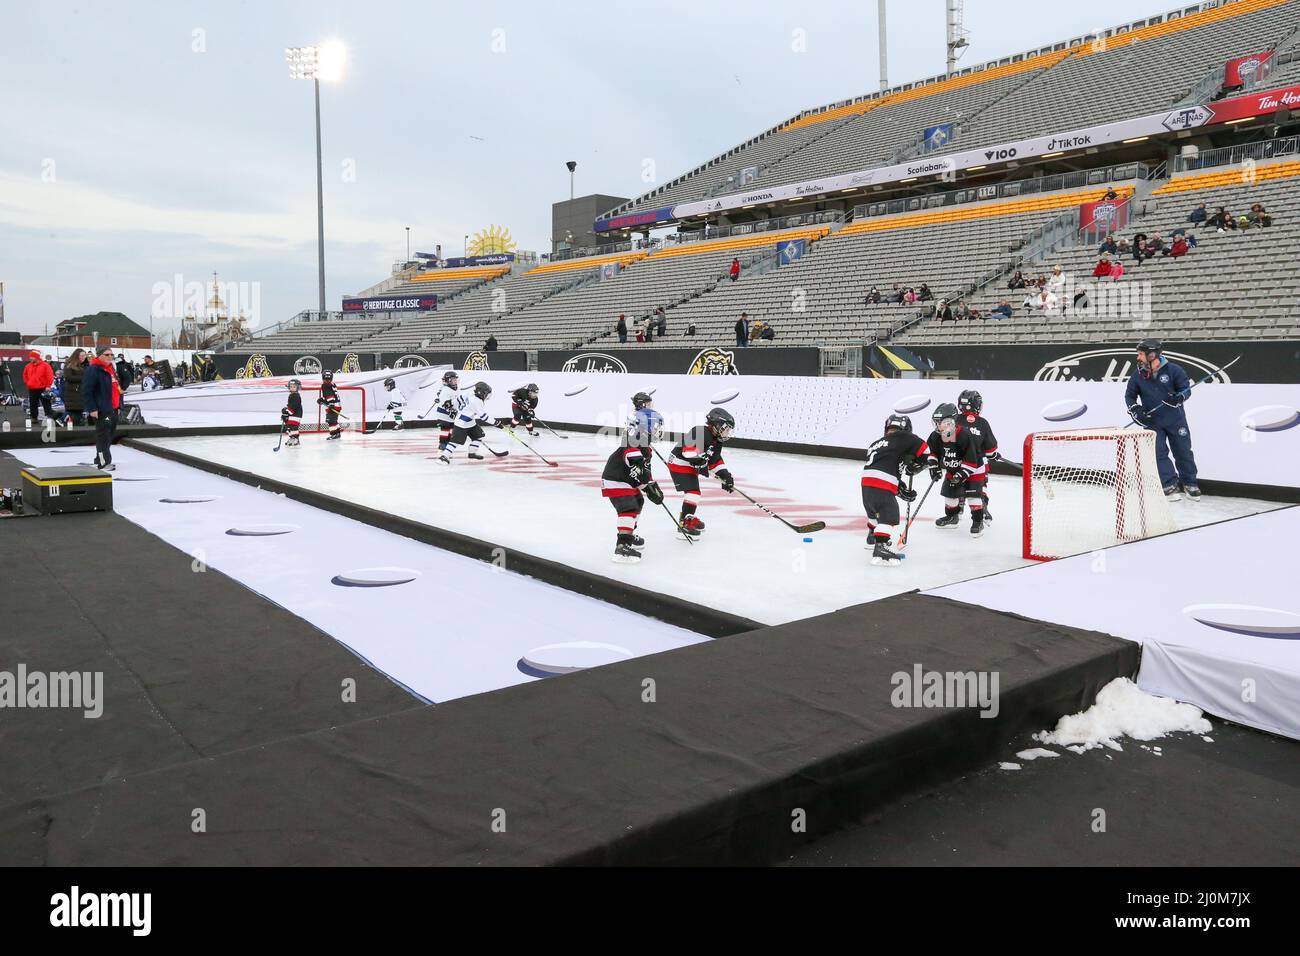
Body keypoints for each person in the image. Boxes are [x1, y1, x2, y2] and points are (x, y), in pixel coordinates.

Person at [1125, 338, 1199, 499]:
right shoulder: (1137, 375)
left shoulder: (1175, 370)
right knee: (1158, 454)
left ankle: (1190, 483)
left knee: (1183, 451)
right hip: (1152, 422)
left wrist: (1178, 398)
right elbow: (1129, 397)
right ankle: (1169, 484)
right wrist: (1136, 411)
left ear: (1152, 355)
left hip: (1176, 420)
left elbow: (1186, 389)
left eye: (1141, 354)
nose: (1138, 357)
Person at [860, 414, 929, 567]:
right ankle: (881, 547)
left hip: (866, 484)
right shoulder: (905, 436)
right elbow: (925, 450)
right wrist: (918, 464)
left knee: (874, 511)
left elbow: (884, 467)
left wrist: (899, 488)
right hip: (881, 483)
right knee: (888, 514)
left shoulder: (876, 443)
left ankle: (872, 537)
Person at [602, 398, 666, 564]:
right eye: (657, 426)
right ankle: (622, 547)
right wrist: (644, 477)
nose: (659, 430)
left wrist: (651, 486)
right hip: (615, 479)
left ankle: (628, 534)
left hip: (625, 480)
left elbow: (645, 472)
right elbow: (632, 457)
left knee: (638, 501)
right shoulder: (633, 439)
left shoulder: (646, 448)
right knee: (628, 506)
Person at [665, 407, 736, 539]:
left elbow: (714, 459)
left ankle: (687, 518)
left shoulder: (716, 439)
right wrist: (701, 461)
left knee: (694, 493)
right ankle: (685, 523)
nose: (728, 432)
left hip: (689, 464)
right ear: (718, 424)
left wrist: (725, 475)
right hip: (679, 463)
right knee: (693, 492)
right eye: (727, 428)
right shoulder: (700, 431)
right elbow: (688, 452)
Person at [925, 402, 987, 537]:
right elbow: (932, 452)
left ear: (952, 422)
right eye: (937, 422)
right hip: (953, 470)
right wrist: (934, 466)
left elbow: (971, 460)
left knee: (973, 496)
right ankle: (952, 518)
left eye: (942, 422)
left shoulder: (963, 435)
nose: (939, 426)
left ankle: (978, 522)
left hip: (973, 470)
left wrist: (961, 475)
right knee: (949, 495)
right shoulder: (936, 436)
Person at [956, 390, 999, 524]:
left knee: (957, 481)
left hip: (957, 462)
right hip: (978, 462)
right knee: (981, 484)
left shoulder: (954, 419)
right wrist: (993, 454)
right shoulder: (982, 423)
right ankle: (983, 507)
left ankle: (959, 503)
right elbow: (991, 448)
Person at [437, 381, 504, 464]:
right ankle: (443, 457)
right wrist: (496, 423)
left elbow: (459, 398)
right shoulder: (477, 402)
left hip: (470, 422)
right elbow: (483, 417)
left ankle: (472, 453)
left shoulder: (471, 393)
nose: (487, 396)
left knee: (479, 436)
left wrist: (450, 404)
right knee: (455, 442)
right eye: (486, 393)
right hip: (461, 424)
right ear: (481, 393)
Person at [82, 345, 122, 471]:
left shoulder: (110, 369)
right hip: (102, 408)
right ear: (99, 355)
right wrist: (92, 408)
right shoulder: (93, 370)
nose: (110, 357)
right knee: (103, 436)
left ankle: (99, 459)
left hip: (113, 408)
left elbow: (116, 388)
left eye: (111, 354)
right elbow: (87, 391)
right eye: (107, 354)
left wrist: (119, 405)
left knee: (109, 435)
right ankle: (104, 462)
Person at [22, 350, 55, 424]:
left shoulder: (45, 365)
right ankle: (34, 418)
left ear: (36, 357)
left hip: (43, 388)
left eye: (32, 357)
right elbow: (25, 375)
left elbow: (50, 376)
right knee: (33, 404)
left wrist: (48, 386)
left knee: (46, 403)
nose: (30, 358)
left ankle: (49, 417)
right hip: (32, 388)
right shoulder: (28, 366)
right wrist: (28, 383)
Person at [431, 370, 460, 450]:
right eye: (453, 379)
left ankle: (447, 442)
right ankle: (442, 443)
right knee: (445, 429)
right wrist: (450, 411)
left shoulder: (455, 389)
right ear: (448, 380)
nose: (455, 381)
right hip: (443, 414)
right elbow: (445, 403)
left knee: (451, 429)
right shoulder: (446, 390)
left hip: (450, 414)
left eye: (455, 379)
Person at [62, 349, 87, 426]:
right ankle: (61, 421)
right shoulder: (69, 364)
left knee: (78, 410)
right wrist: (84, 378)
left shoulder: (84, 365)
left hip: (80, 392)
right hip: (72, 392)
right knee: (72, 410)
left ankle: (76, 425)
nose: (84, 357)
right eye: (82, 356)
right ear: (76, 356)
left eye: (84, 355)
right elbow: (68, 377)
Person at [317, 369, 343, 440]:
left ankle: (334, 434)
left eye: (327, 379)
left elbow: (329, 395)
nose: (326, 380)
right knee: (334, 420)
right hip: (337, 405)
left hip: (333, 406)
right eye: (326, 379)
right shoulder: (333, 384)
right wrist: (322, 399)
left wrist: (331, 403)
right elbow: (330, 395)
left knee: (330, 420)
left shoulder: (325, 385)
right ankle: (337, 433)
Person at [282, 379, 304, 446]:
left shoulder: (296, 395)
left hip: (296, 414)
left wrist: (287, 412)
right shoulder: (292, 395)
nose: (292, 388)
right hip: (293, 414)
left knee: (293, 427)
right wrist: (286, 411)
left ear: (298, 387)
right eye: (291, 386)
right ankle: (292, 438)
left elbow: (294, 406)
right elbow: (290, 405)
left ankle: (296, 439)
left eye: (294, 387)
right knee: (289, 426)